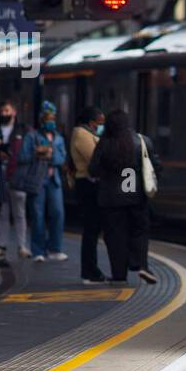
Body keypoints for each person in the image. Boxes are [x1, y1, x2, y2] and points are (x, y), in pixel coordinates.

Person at [89, 109, 160, 285]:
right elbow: (156, 165)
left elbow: (93, 169)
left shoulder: (105, 144)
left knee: (115, 238)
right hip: (137, 199)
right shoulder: (141, 141)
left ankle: (119, 275)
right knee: (139, 232)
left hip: (111, 201)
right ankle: (142, 265)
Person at [20, 101, 67, 263]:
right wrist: (37, 153)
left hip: (54, 180)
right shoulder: (31, 136)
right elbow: (23, 156)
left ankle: (55, 248)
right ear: (41, 120)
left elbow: (62, 158)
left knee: (58, 213)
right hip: (37, 179)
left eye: (53, 119)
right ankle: (38, 250)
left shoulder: (59, 138)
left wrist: (51, 155)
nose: (50, 122)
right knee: (38, 215)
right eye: (47, 119)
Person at [71, 106, 107, 284]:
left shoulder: (87, 133)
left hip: (91, 185)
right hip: (87, 184)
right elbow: (95, 160)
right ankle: (89, 271)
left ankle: (91, 269)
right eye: (100, 123)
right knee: (91, 230)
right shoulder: (81, 135)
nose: (102, 126)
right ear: (92, 122)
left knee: (93, 229)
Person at [0, 100, 30, 261]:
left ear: (14, 112)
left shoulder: (23, 130)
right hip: (1, 175)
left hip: (18, 177)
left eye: (7, 110)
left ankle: (22, 246)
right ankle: (2, 246)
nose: (4, 113)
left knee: (20, 213)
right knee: (3, 213)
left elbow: (28, 152)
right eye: (2, 110)